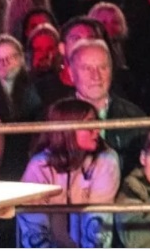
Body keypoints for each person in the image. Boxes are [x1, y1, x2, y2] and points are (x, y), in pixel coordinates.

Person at [17, 98, 121, 248]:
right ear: (67, 130)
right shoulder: (40, 166)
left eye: (97, 123)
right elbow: (34, 229)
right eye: (89, 125)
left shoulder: (105, 160)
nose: (97, 130)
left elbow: (98, 223)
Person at [66, 37, 146, 177]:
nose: (96, 76)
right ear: (71, 74)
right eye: (87, 68)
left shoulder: (135, 116)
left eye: (102, 67)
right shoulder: (54, 118)